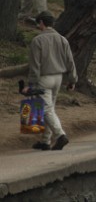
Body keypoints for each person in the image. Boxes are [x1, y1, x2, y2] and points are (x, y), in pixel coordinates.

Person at [27, 10, 77, 151]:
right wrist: (72, 80)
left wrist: (32, 83)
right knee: (50, 109)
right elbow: (70, 62)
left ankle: (60, 135)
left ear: (41, 22)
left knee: (46, 109)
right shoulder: (62, 39)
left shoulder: (37, 41)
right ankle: (45, 141)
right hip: (58, 78)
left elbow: (35, 65)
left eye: (38, 23)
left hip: (44, 78)